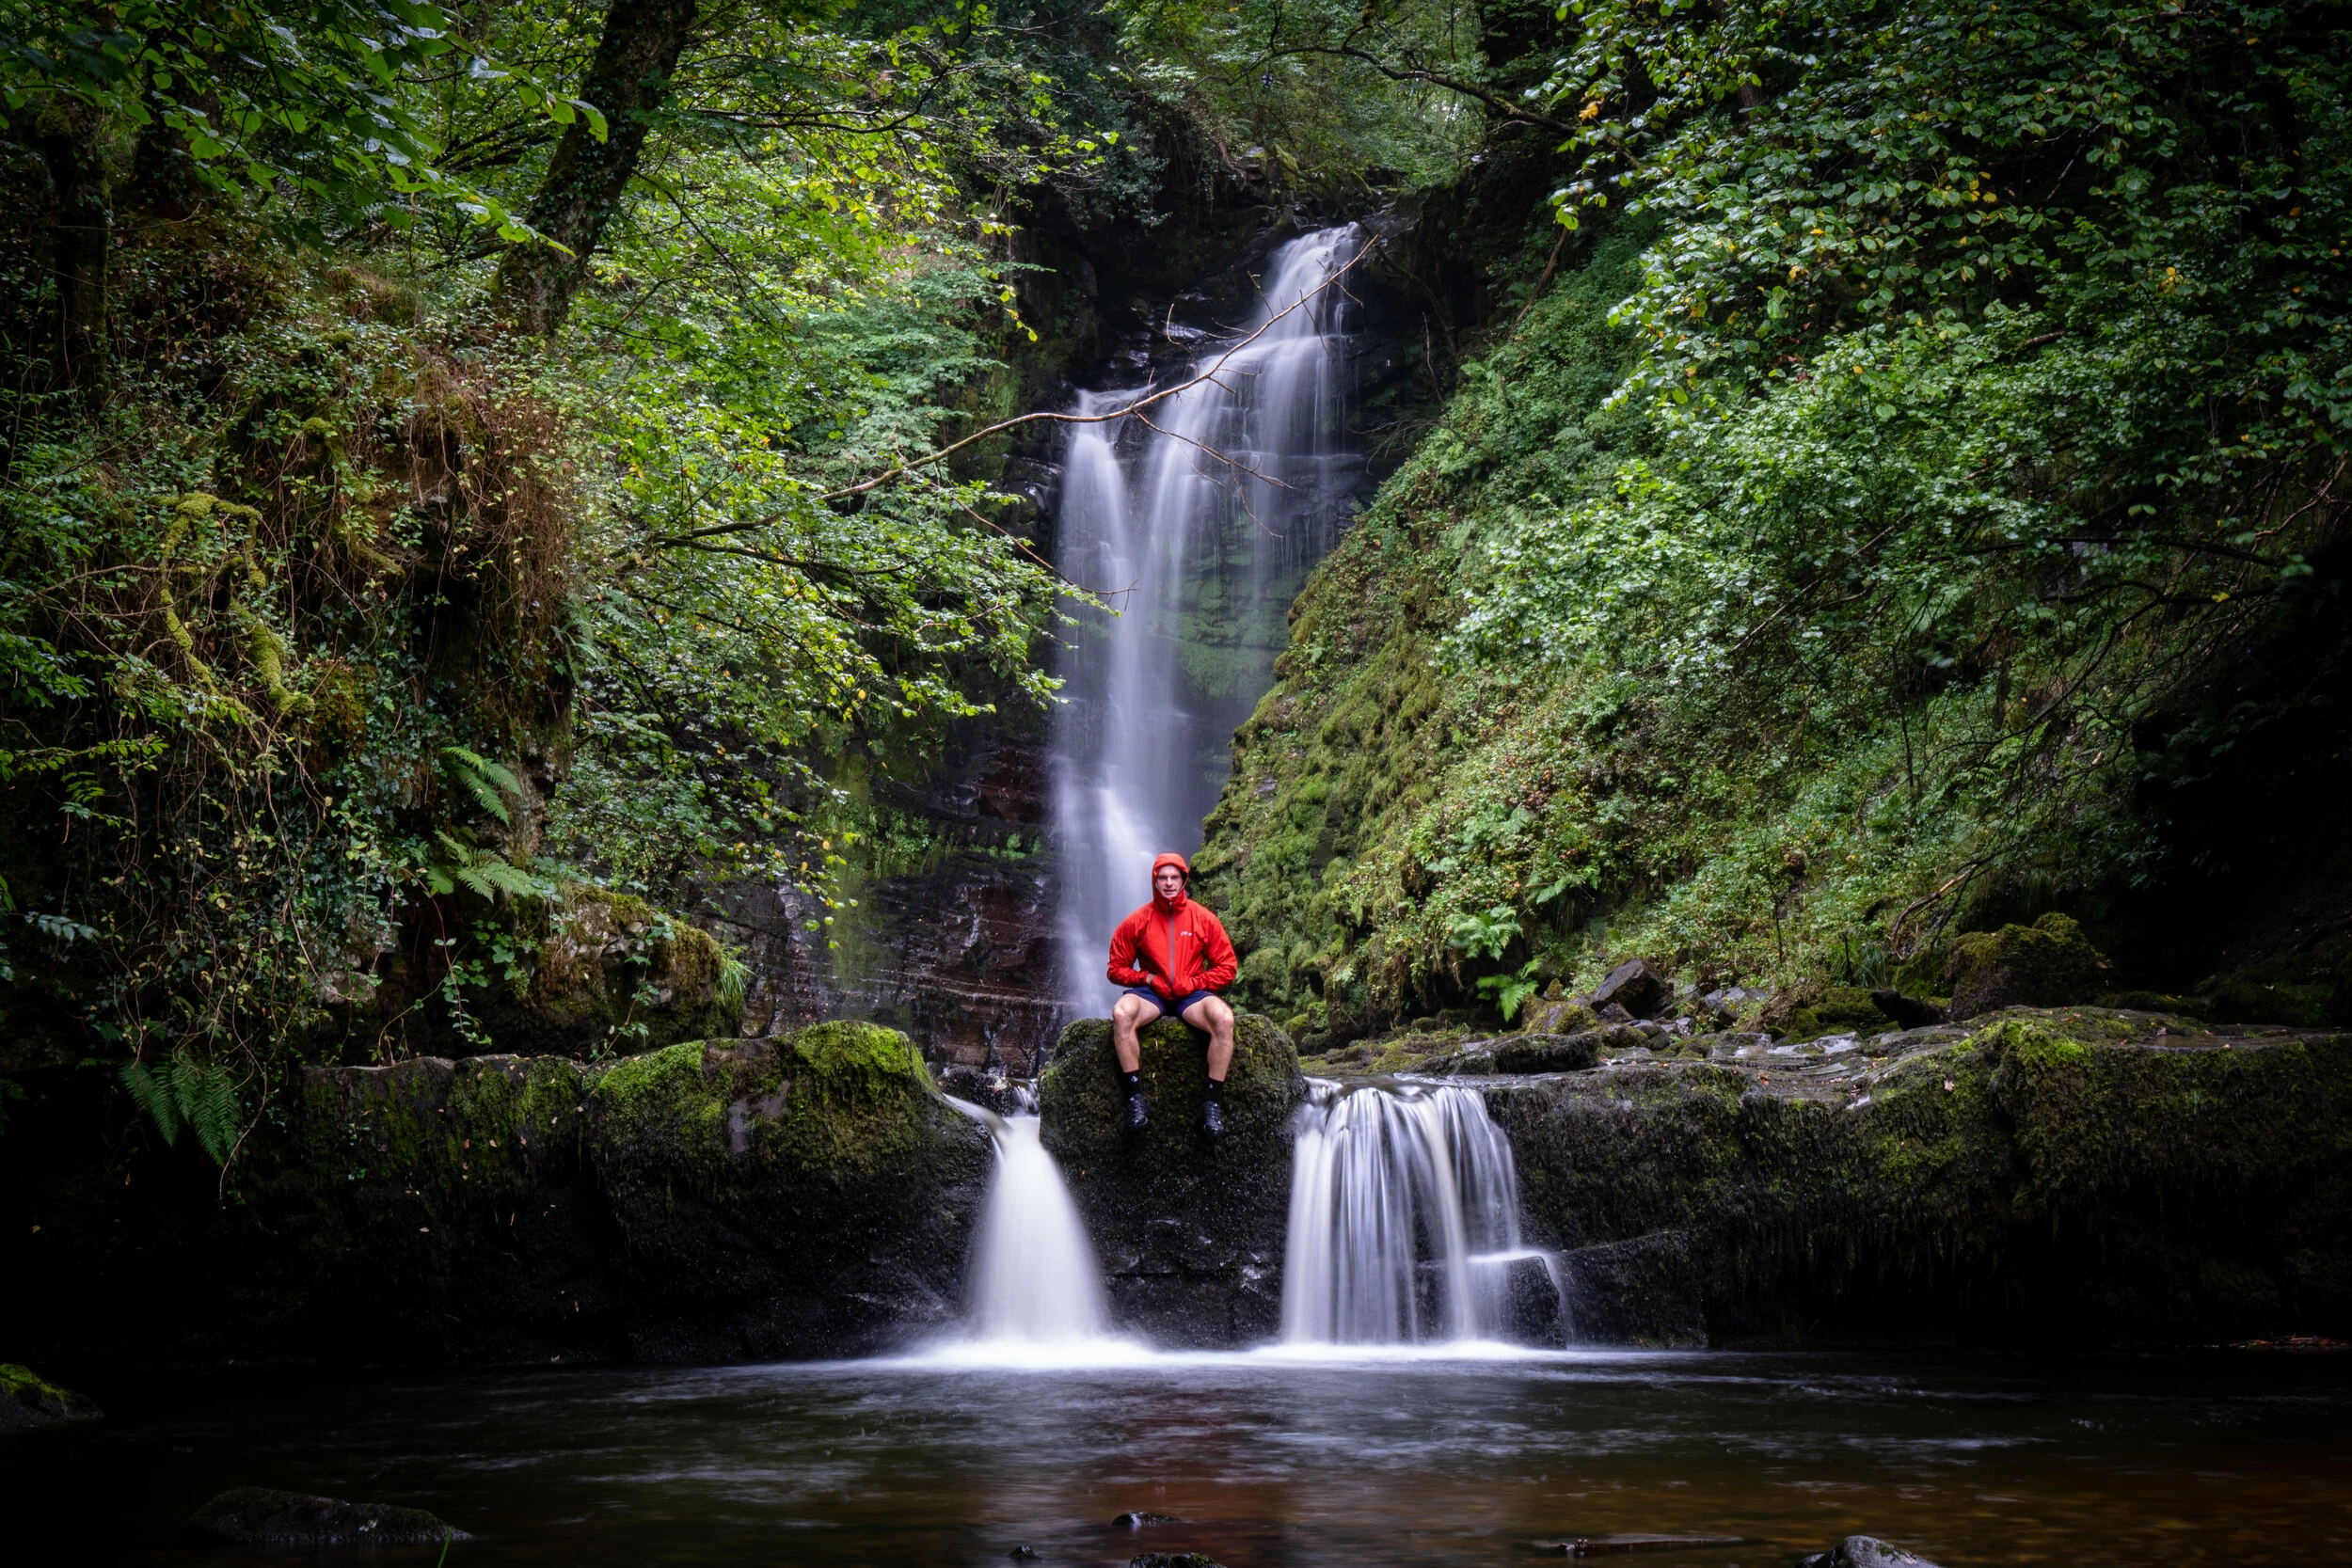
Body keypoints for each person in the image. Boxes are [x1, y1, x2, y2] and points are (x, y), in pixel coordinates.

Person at [1105, 851, 1239, 1137]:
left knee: (1224, 1019)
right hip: (1151, 994)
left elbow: (1227, 967)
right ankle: (1136, 1099)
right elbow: (1115, 968)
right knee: (1121, 1014)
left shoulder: (1203, 919)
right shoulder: (1137, 921)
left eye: (1174, 877)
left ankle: (1211, 1103)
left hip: (1191, 995)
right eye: (1163, 877)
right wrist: (1146, 977)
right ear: (1155, 881)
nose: (1168, 883)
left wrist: (1195, 982)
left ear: (1183, 880)